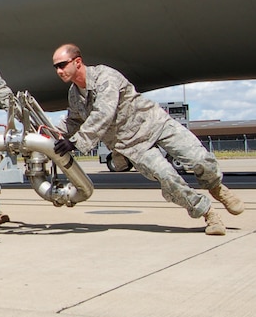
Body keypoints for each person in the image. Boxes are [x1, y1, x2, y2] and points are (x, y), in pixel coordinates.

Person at [51, 43, 245, 235]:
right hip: (133, 145)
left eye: (62, 65)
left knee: (200, 159)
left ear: (77, 62)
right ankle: (208, 213)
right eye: (56, 67)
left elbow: (104, 112)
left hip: (155, 124)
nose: (59, 71)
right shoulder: (74, 94)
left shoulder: (105, 77)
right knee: (168, 178)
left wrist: (76, 142)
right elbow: (73, 120)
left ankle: (216, 187)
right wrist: (49, 133)